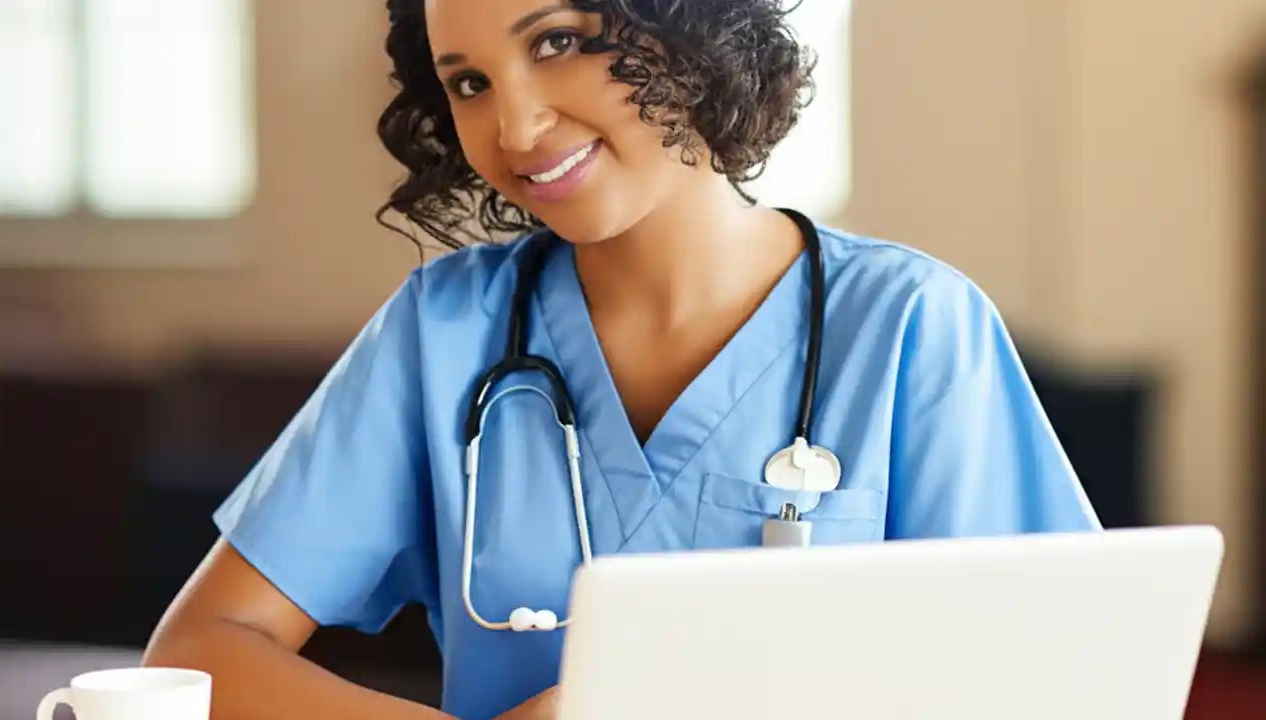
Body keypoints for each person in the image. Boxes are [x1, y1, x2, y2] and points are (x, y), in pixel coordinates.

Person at [142, 0, 1101, 718]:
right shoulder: (444, 332)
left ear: (684, 25)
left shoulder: (912, 328)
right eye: (469, 81)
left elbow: (1061, 679)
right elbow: (197, 653)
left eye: (556, 41)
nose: (514, 130)